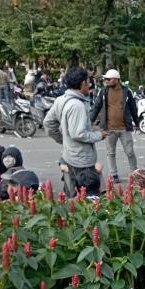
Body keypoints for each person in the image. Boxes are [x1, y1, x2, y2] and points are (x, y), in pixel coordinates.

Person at [43, 67, 107, 196]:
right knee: (91, 197)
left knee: (72, 197)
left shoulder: (61, 100)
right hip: (82, 161)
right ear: (82, 83)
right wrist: (99, 135)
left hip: (69, 157)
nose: (89, 84)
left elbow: (48, 123)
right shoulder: (77, 105)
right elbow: (78, 134)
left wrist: (64, 140)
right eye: (88, 81)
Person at [90, 69, 140, 181]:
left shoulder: (127, 91)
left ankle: (135, 172)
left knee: (130, 152)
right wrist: (90, 121)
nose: (105, 81)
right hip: (109, 128)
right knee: (110, 153)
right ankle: (114, 174)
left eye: (108, 79)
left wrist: (137, 122)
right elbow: (96, 107)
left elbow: (133, 108)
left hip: (124, 128)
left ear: (116, 80)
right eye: (105, 79)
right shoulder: (103, 91)